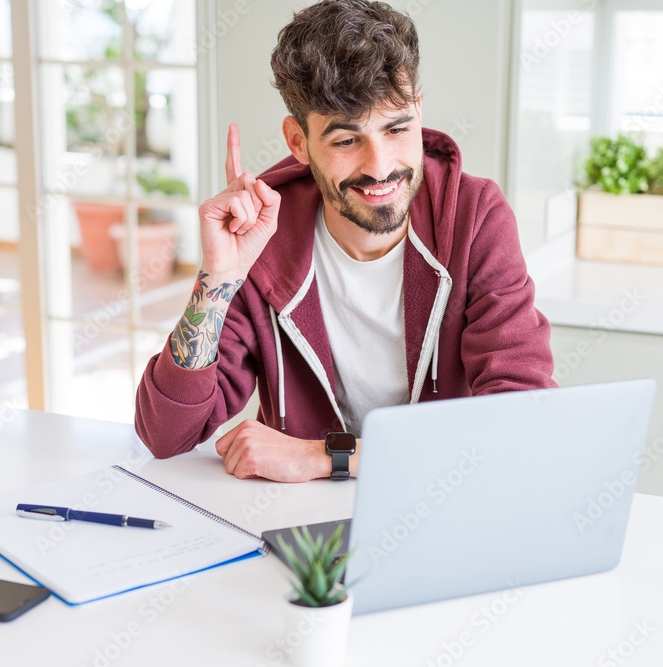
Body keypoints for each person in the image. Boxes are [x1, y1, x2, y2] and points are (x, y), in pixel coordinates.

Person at [135, 0, 556, 481]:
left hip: (441, 503)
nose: (380, 166)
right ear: (298, 141)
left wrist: (325, 458)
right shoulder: (263, 237)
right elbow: (164, 435)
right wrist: (219, 279)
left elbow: (521, 426)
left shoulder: (474, 216)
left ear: (418, 109)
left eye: (397, 129)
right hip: (298, 521)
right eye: (346, 140)